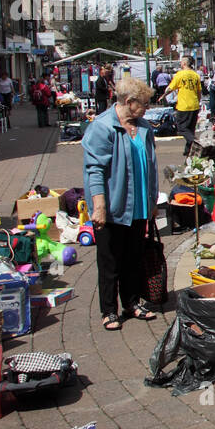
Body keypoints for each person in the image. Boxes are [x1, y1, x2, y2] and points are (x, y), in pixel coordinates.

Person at [82, 75, 159, 331]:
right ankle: (108, 310)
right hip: (113, 206)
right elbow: (95, 169)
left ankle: (131, 301)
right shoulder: (103, 127)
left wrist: (152, 200)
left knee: (133, 258)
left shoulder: (144, 127)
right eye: (144, 104)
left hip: (137, 205)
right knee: (110, 261)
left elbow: (151, 167)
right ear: (129, 102)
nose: (146, 108)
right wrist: (99, 206)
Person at [165, 56, 203, 158]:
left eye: (181, 62)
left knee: (181, 128)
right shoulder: (195, 75)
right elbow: (199, 91)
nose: (180, 63)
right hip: (194, 104)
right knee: (190, 129)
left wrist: (164, 94)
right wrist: (198, 102)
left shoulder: (180, 74)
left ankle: (196, 143)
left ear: (184, 64)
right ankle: (188, 151)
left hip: (184, 106)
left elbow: (170, 88)